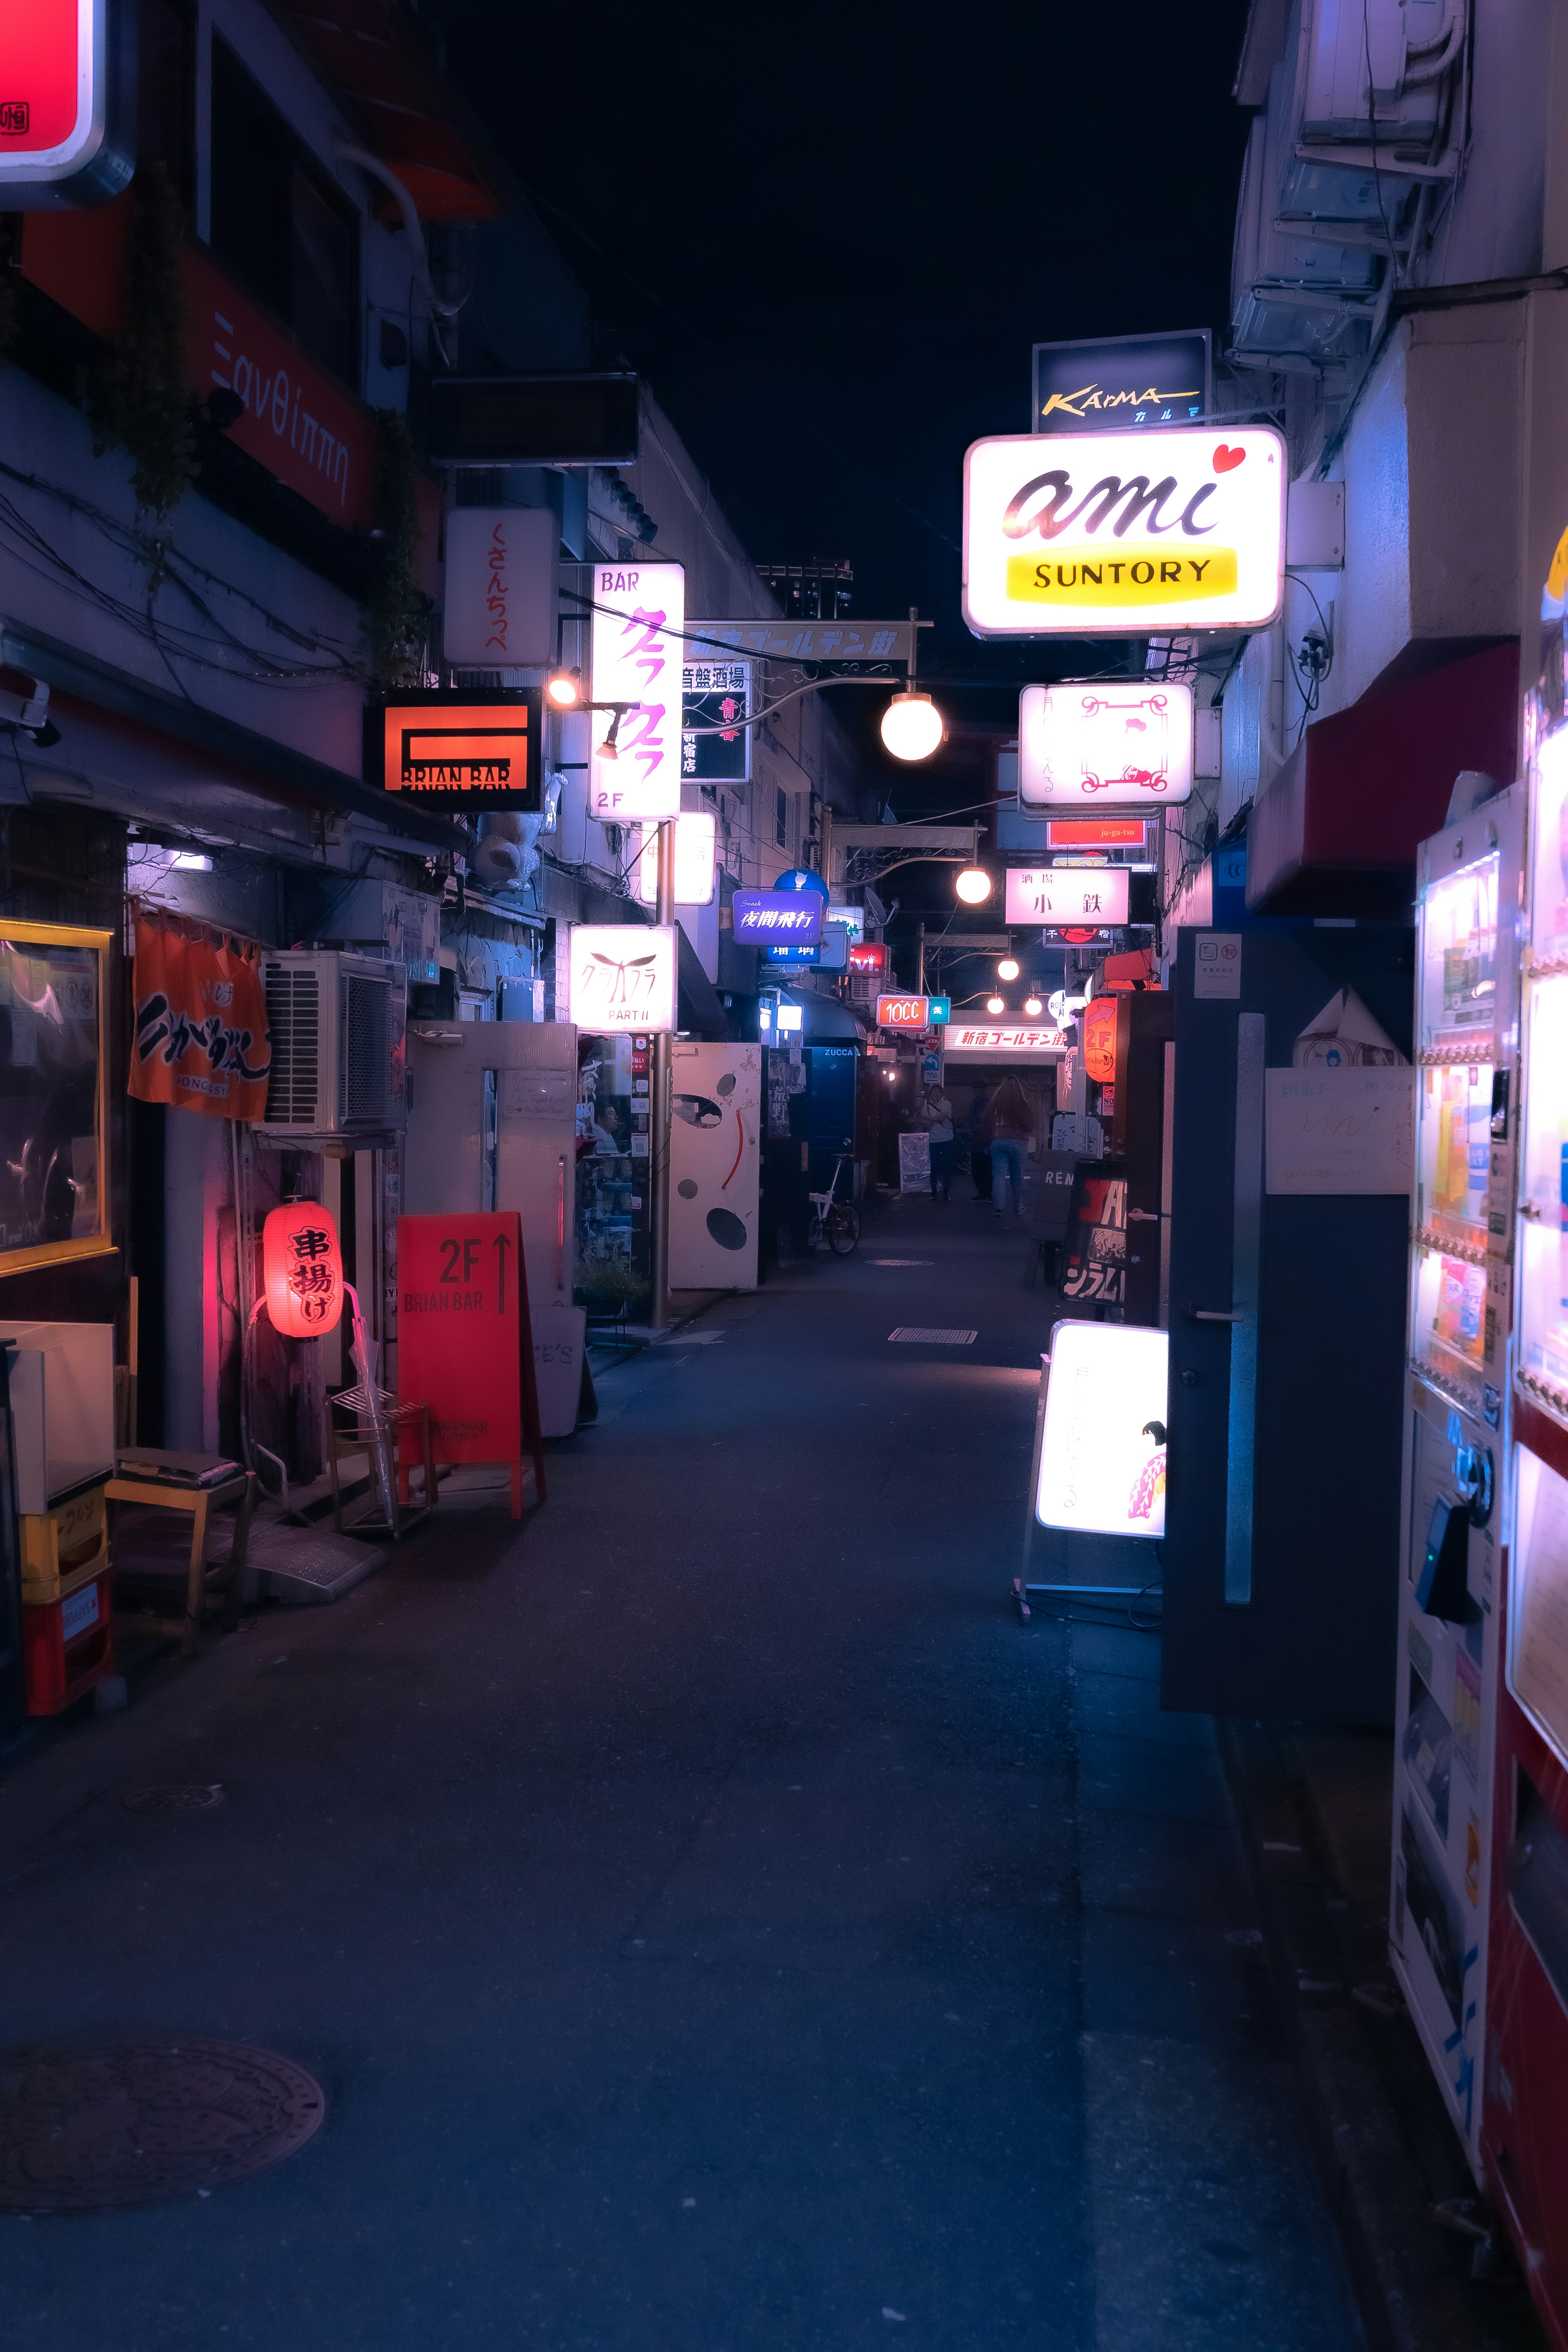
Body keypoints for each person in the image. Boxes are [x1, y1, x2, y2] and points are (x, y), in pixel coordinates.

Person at [977, 1076, 1035, 1217]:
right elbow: (1030, 1126)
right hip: (1018, 1143)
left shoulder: (995, 1104)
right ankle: (1018, 1206)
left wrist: (985, 1143)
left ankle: (999, 1208)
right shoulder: (1022, 1104)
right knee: (1017, 1175)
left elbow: (985, 1124)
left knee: (998, 1176)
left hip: (998, 1141)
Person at [922, 1084, 955, 1202]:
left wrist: (923, 1118)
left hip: (947, 1139)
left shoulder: (946, 1104)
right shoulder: (926, 1108)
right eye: (934, 1092)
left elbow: (941, 1119)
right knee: (934, 1166)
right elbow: (927, 1126)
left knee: (947, 1166)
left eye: (939, 1092)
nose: (936, 1094)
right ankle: (934, 1192)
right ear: (930, 1095)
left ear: (942, 1094)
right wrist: (924, 1120)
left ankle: (946, 1192)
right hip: (933, 1140)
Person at [968, 1084, 993, 1202]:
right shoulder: (973, 1103)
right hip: (976, 1140)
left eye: (979, 1087)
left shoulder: (989, 1102)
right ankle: (983, 1193)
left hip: (987, 1140)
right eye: (975, 1087)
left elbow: (992, 1120)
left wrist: (981, 1127)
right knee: (977, 1169)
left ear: (984, 1089)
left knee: (988, 1169)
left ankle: (990, 1194)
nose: (976, 1090)